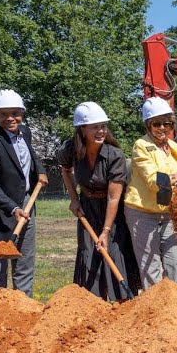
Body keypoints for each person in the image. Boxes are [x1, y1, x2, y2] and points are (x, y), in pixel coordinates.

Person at [57, 101, 135, 302]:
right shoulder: (70, 149)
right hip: (87, 206)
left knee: (113, 250)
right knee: (88, 250)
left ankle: (122, 301)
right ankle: (91, 302)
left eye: (103, 126)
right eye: (95, 127)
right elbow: (66, 170)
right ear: (82, 129)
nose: (101, 131)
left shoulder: (114, 155)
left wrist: (106, 231)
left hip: (111, 210)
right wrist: (74, 199)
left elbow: (113, 196)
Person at [0, 89, 47, 303]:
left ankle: (24, 310)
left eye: (15, 113)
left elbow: (30, 154)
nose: (10, 118)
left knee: (24, 263)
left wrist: (40, 171)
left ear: (22, 113)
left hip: (26, 202)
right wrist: (13, 209)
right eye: (3, 114)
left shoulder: (25, 132)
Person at [123, 97, 177, 290]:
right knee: (150, 266)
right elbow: (154, 181)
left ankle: (174, 305)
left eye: (167, 123)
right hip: (142, 213)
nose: (163, 128)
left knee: (173, 263)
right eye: (157, 124)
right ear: (148, 125)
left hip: (168, 212)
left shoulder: (173, 146)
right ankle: (154, 310)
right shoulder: (141, 146)